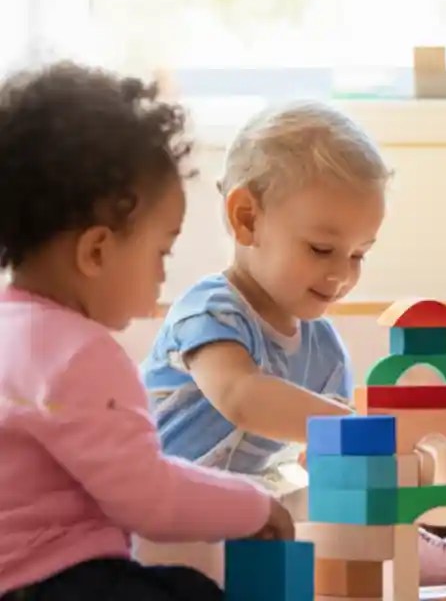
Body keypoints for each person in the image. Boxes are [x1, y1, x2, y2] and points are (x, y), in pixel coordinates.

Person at [138, 101, 446, 585]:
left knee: (328, 505)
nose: (341, 274)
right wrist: (360, 428)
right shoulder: (210, 309)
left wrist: (392, 464)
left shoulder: (326, 351)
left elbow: (329, 461)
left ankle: (408, 549)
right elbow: (241, 397)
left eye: (359, 254)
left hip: (254, 511)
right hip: (168, 506)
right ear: (247, 218)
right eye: (321, 249)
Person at [0, 61, 293, 601]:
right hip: (61, 585)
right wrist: (253, 505)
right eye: (161, 250)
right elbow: (148, 499)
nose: (163, 273)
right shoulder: (81, 355)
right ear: (96, 251)